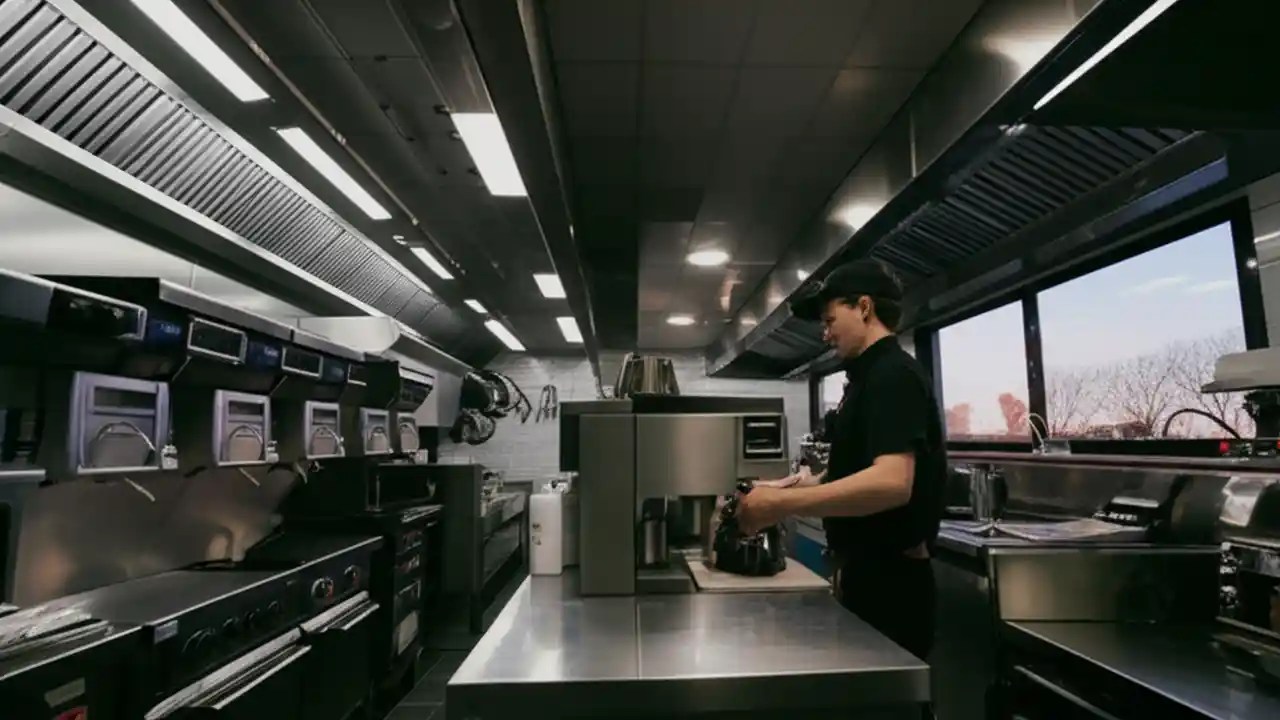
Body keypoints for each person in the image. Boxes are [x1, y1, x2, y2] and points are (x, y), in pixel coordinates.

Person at [736, 258, 946, 661]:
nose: (825, 332)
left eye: (831, 319)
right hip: (868, 575)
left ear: (864, 308)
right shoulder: (867, 379)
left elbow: (890, 484)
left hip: (895, 586)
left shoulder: (893, 376)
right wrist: (778, 487)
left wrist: (781, 505)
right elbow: (846, 474)